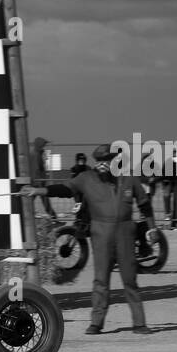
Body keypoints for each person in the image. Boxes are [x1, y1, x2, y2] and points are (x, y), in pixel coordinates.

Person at [29, 143, 158, 335]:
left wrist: (152, 228)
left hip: (125, 232)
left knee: (130, 278)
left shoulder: (129, 179)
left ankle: (139, 323)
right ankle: (96, 322)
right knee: (101, 279)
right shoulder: (86, 179)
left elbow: (145, 205)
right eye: (99, 160)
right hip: (101, 232)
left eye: (106, 160)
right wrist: (40, 191)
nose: (102, 164)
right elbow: (66, 189)